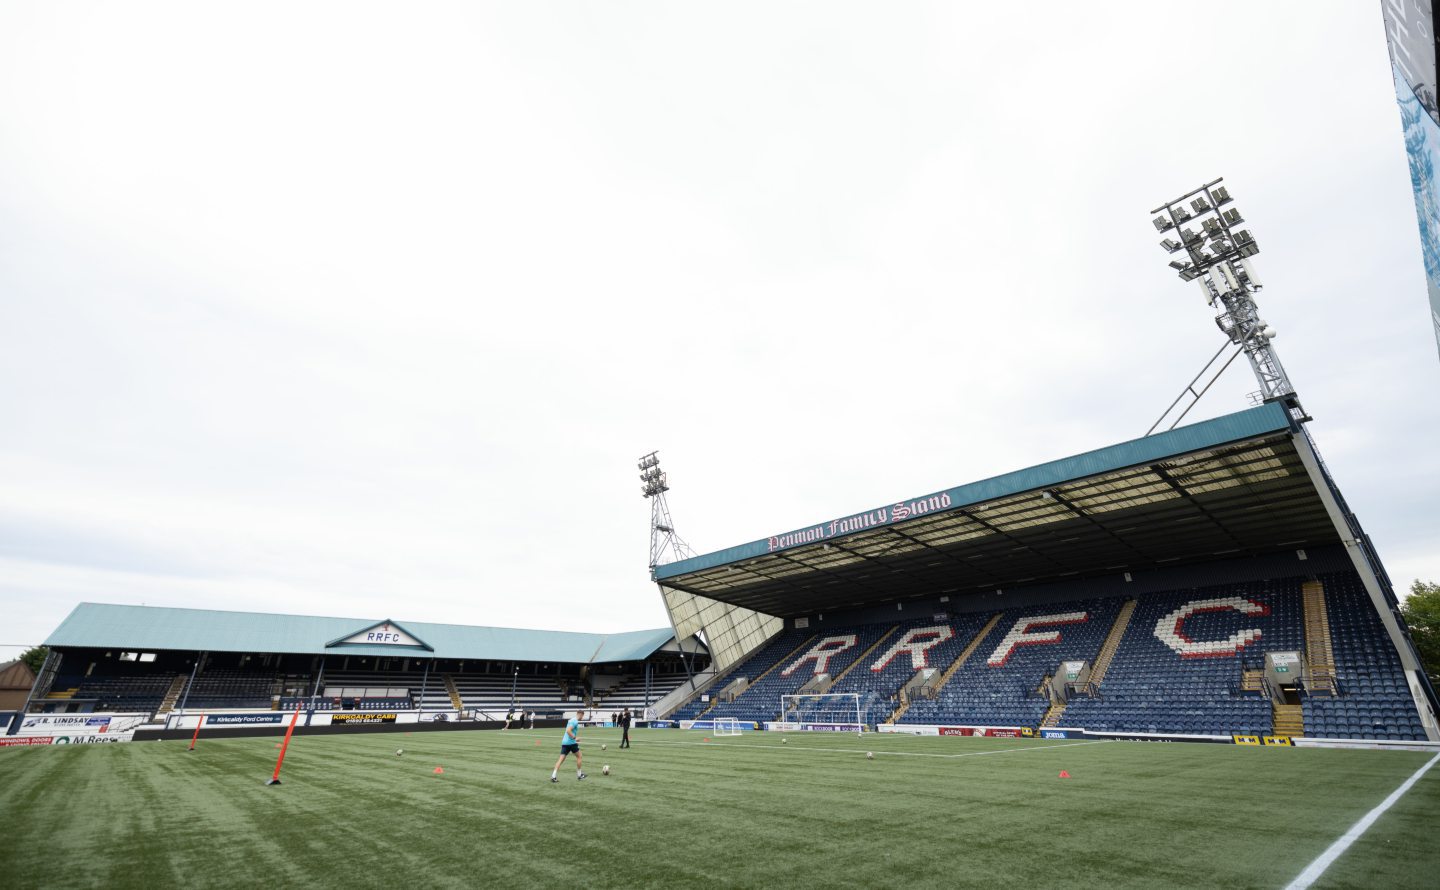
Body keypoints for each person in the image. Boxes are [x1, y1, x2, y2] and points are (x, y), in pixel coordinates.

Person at [550, 709, 587, 782]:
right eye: (583, 715)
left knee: (560, 760)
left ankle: (553, 776)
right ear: (580, 714)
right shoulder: (575, 721)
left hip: (565, 742)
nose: (582, 717)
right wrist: (575, 738)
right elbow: (568, 730)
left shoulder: (571, 720)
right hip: (571, 743)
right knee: (579, 756)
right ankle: (579, 775)